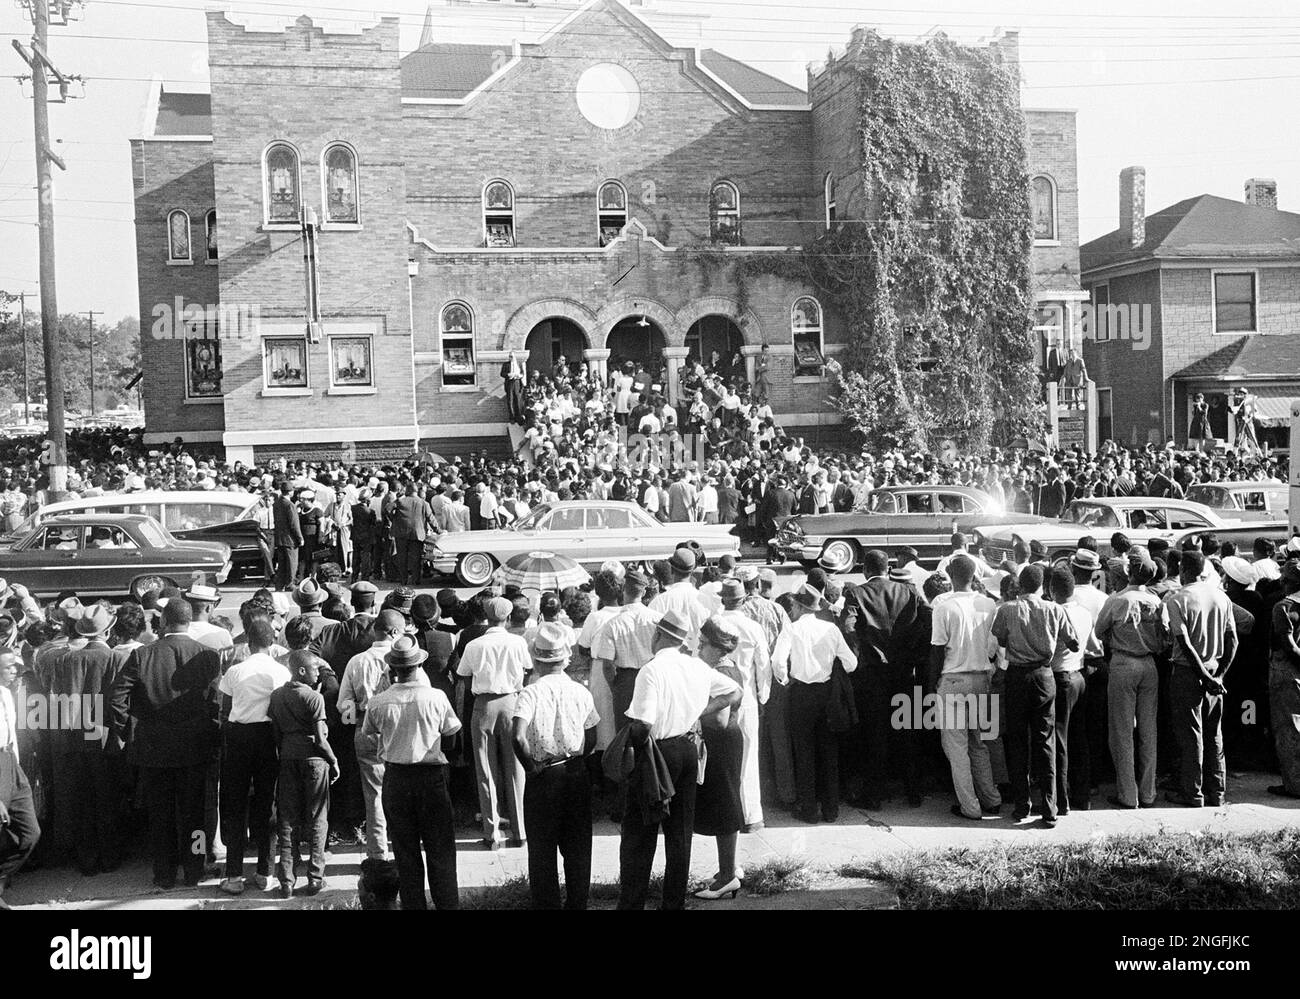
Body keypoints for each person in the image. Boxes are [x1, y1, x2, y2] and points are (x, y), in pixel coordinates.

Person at [618, 610, 740, 911]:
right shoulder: (694, 666)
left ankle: (632, 902)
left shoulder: (652, 670)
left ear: (658, 636)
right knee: (680, 832)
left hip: (657, 750)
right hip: (687, 749)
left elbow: (644, 724)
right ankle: (673, 903)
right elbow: (733, 693)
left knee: (640, 831)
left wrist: (631, 743)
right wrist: (699, 710)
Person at [108, 598, 220, 890]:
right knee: (194, 816)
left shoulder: (142, 655)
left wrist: (127, 730)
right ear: (189, 620)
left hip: (153, 750)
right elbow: (216, 703)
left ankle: (164, 874)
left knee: (161, 816)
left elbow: (117, 698)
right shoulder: (207, 655)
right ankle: (195, 870)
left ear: (163, 622)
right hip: (195, 749)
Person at [363, 635, 462, 910]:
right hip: (431, 777)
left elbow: (369, 735)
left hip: (396, 778)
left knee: (406, 854)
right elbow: (452, 736)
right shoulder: (436, 697)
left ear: (393, 669)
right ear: (418, 665)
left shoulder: (378, 702)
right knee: (441, 851)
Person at [510, 623, 598, 910]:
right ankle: (577, 905)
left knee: (542, 852)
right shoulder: (581, 692)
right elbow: (593, 733)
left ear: (536, 659)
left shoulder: (530, 693)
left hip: (544, 774)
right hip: (575, 771)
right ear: (566, 658)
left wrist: (530, 767)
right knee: (578, 850)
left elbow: (518, 736)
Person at [990, 564, 1078, 828]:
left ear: (1020, 585)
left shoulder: (1006, 609)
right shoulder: (1055, 609)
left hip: (1017, 676)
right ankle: (1049, 808)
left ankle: (1021, 805)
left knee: (1017, 742)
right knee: (1045, 741)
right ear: (1042, 586)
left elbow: (1001, 640)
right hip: (1044, 675)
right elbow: (1073, 642)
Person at [36, 603, 119, 875]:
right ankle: (109, 854)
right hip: (100, 733)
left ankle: (86, 857)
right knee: (104, 796)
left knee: (79, 798)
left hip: (68, 737)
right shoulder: (108, 658)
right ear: (107, 631)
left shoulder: (55, 658)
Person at [839, 549, 920, 809]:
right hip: (903, 671)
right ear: (889, 567)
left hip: (872, 674)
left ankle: (874, 795)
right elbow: (927, 619)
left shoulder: (856, 593)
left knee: (875, 734)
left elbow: (848, 626)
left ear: (865, 570)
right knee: (907, 730)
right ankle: (913, 791)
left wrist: (863, 649)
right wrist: (910, 650)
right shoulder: (909, 591)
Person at [772, 584, 858, 824]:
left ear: (798, 606)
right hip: (827, 692)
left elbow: (778, 662)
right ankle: (831, 809)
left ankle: (808, 808)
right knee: (828, 750)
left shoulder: (792, 629)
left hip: (801, 693)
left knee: (804, 751)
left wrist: (785, 679)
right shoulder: (830, 629)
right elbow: (851, 663)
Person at [217, 617, 291, 894]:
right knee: (267, 804)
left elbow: (224, 710)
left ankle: (234, 875)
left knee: (235, 804)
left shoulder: (235, 671)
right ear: (272, 643)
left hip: (238, 737)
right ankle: (265, 871)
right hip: (268, 737)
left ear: (247, 644)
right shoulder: (281, 673)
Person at [1164, 549, 1238, 807]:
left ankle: (1192, 792)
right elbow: (1233, 640)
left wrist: (1205, 676)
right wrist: (1218, 675)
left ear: (1183, 570)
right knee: (1214, 733)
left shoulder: (1177, 599)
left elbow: (1184, 643)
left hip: (1187, 672)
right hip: (1215, 670)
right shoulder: (1221, 597)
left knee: (1190, 734)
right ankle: (1217, 792)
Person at [929, 555, 1001, 821]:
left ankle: (970, 806)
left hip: (953, 678)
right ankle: (991, 798)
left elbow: (937, 650)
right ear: (974, 576)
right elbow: (994, 647)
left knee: (956, 747)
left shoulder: (944, 607)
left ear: (950, 576)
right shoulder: (989, 604)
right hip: (981, 678)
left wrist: (931, 683)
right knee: (978, 742)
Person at [1094, 549, 1166, 809]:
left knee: (1122, 732)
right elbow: (1165, 636)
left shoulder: (1118, 600)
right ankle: (1148, 793)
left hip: (1123, 662)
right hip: (1149, 664)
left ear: (1129, 572)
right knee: (1149, 731)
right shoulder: (1156, 601)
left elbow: (1099, 629)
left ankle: (1128, 793)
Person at [456, 596, 530, 849]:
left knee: (486, 770)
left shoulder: (475, 644)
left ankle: (492, 832)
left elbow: (464, 677)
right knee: (515, 768)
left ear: (486, 617)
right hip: (511, 701)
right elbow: (527, 670)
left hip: (484, 704)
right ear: (508, 618)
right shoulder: (517, 642)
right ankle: (520, 831)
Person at [268, 649, 339, 898]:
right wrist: (333, 760)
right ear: (301, 670)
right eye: (313, 670)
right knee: (318, 818)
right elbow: (321, 739)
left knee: (287, 820)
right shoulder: (314, 698)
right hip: (314, 760)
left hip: (288, 758)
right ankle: (315, 877)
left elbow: (276, 734)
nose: (317, 674)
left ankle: (286, 880)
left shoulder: (276, 696)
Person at [337, 609, 406, 862]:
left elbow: (343, 705)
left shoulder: (357, 661)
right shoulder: (403, 659)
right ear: (394, 632)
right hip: (398, 728)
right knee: (401, 791)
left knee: (374, 794)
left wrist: (359, 718)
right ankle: (403, 847)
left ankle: (377, 853)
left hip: (366, 728)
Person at [692, 616, 748, 900]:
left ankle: (727, 877)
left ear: (718, 647)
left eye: (703, 644)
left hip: (721, 741)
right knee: (725, 801)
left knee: (724, 805)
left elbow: (719, 719)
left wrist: (691, 710)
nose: (698, 649)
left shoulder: (721, 672)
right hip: (727, 741)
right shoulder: (727, 667)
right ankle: (729, 867)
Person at [0, 661, 39, 910]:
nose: (15, 669)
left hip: (11, 762)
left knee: (30, 832)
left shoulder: (6, 693)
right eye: (8, 666)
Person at [1267, 563, 1300, 799]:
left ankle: (1294, 784)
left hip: (1287, 670)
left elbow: (1288, 645)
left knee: (1288, 730)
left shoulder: (1283, 607)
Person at [390, 481, 436, 586]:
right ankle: (416, 580)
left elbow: (387, 509)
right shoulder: (424, 503)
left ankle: (403, 580)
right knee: (416, 558)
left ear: (408, 490)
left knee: (402, 557)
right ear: (416, 491)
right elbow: (431, 519)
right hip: (417, 533)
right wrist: (439, 530)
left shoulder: (400, 501)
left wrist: (394, 519)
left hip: (401, 532)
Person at [272, 480, 303, 590]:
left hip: (280, 538)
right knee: (292, 563)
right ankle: (290, 583)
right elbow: (294, 524)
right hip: (290, 539)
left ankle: (279, 584)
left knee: (282, 564)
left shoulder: (276, 503)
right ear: (291, 492)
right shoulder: (290, 505)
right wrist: (300, 538)